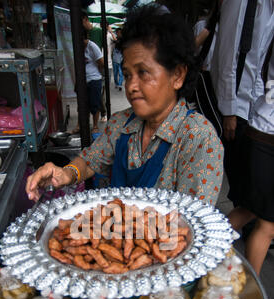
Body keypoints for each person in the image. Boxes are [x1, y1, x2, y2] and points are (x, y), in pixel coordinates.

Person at [26, 4, 223, 205]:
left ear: (178, 75)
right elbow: (90, 160)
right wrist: (66, 174)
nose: (131, 86)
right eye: (128, 75)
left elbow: (191, 222)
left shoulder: (199, 139)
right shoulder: (121, 123)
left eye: (143, 73)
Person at [210, 0, 274, 206]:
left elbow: (261, 61)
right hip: (235, 107)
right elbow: (228, 54)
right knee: (242, 185)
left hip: (255, 106)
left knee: (252, 187)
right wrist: (230, 110)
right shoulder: (242, 2)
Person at [228, 42, 274, 282]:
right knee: (267, 224)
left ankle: (203, 255)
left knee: (250, 210)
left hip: (260, 129)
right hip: (267, 136)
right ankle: (251, 288)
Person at [73, 31, 104, 133]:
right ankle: (80, 125)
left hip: (94, 80)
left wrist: (96, 73)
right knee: (81, 105)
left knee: (95, 104)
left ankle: (95, 126)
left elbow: (101, 62)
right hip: (82, 80)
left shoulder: (92, 47)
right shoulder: (77, 47)